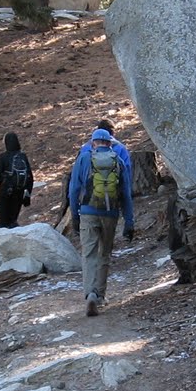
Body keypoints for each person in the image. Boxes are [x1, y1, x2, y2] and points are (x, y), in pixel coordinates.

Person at [68, 127, 134, 316]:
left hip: (88, 212)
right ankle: (100, 295)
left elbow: (73, 190)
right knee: (104, 253)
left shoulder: (83, 159)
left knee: (89, 254)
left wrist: (75, 215)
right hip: (110, 214)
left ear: (93, 143)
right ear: (110, 143)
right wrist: (129, 222)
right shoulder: (118, 161)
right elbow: (126, 195)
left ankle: (89, 293)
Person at [0, 132, 33, 229]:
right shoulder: (23, 156)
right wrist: (27, 195)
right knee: (13, 222)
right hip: (19, 192)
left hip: (4, 192)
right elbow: (30, 177)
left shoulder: (3, 157)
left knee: (2, 223)